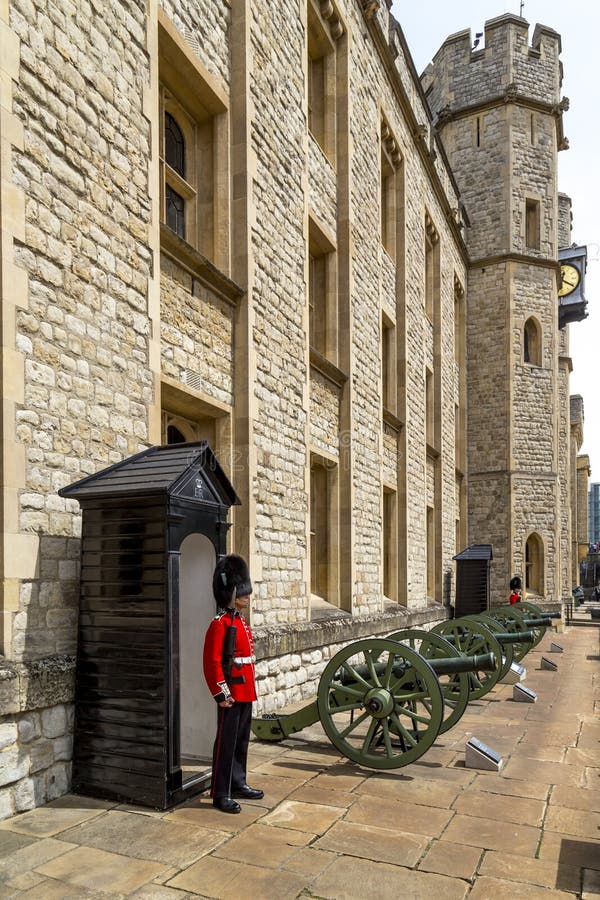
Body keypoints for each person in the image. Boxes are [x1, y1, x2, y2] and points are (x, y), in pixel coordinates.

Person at [203, 554, 264, 814]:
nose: (248, 596)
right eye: (243, 592)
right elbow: (212, 663)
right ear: (231, 593)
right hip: (231, 692)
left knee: (240, 740)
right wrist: (221, 693)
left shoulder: (240, 622)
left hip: (245, 691)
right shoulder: (219, 624)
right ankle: (220, 791)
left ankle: (238, 782)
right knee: (226, 743)